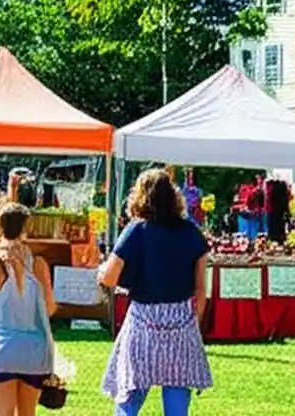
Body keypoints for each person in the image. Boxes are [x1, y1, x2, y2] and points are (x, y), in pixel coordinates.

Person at [98, 168, 212, 416]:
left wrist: (100, 269)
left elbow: (109, 277)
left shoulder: (136, 231)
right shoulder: (192, 233)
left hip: (143, 320)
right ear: (174, 196)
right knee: (177, 396)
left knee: (130, 392)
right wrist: (195, 322)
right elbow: (201, 289)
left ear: (139, 196)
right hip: (181, 320)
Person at [0, 203, 57, 416]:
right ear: (25, 228)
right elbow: (49, 308)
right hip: (35, 350)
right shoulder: (38, 263)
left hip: (0, 348)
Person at [232, 172, 265, 242]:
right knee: (248, 231)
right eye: (258, 179)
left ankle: (250, 242)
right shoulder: (246, 188)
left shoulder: (248, 189)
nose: (259, 181)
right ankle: (249, 242)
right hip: (249, 212)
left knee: (249, 231)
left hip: (251, 213)